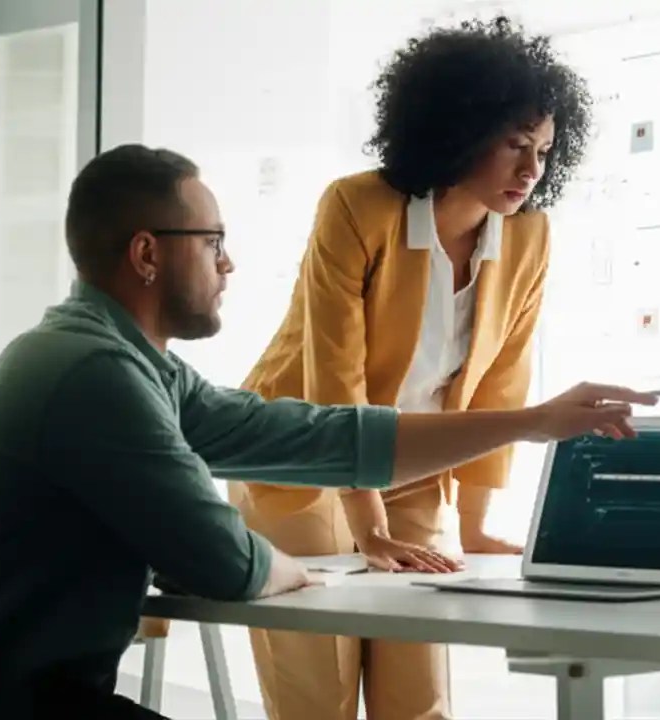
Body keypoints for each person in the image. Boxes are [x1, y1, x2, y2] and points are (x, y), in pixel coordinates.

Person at [0, 144, 654, 720]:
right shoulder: (95, 373)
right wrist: (295, 567)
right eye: (211, 240)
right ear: (148, 255)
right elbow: (229, 562)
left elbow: (319, 436)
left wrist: (533, 422)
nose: (229, 262)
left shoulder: (122, 359)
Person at [222, 16, 592, 720]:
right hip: (300, 462)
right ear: (459, 128)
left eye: (544, 150)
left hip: (418, 465)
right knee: (316, 694)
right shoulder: (357, 207)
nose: (531, 170)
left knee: (418, 693)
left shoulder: (528, 235)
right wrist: (365, 520)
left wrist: (478, 522)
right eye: (515, 145)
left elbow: (502, 381)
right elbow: (336, 377)